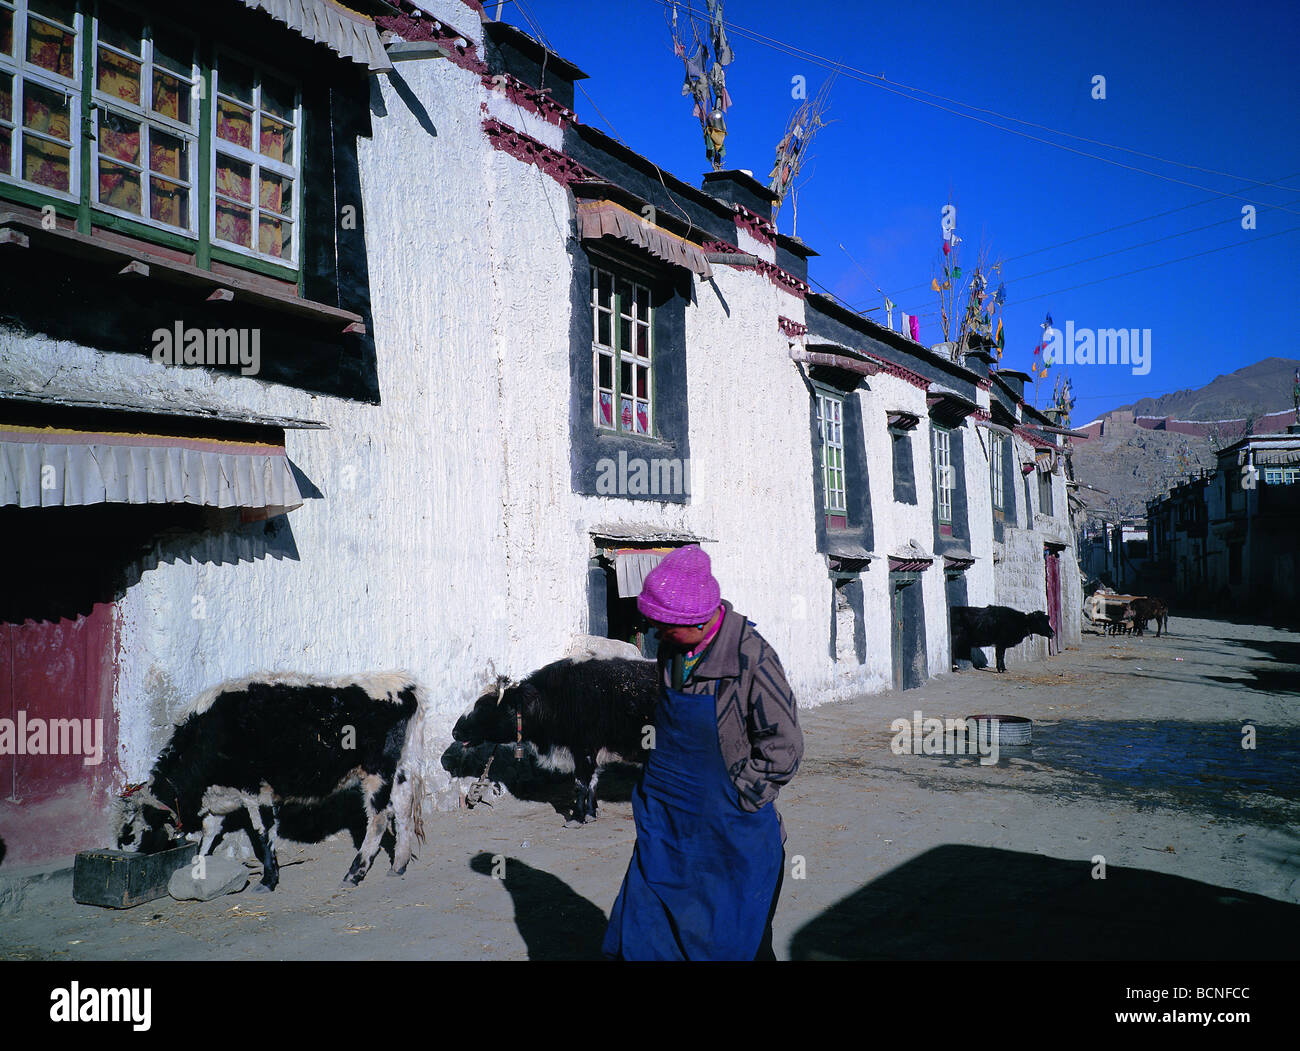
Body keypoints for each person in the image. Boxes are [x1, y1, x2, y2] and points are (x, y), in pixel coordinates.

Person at [602, 545, 803, 961]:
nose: (655, 633)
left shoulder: (752, 659)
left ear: (694, 623)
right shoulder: (672, 651)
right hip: (671, 826)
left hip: (732, 835)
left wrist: (738, 796)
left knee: (736, 943)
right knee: (648, 930)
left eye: (662, 626)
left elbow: (785, 747)